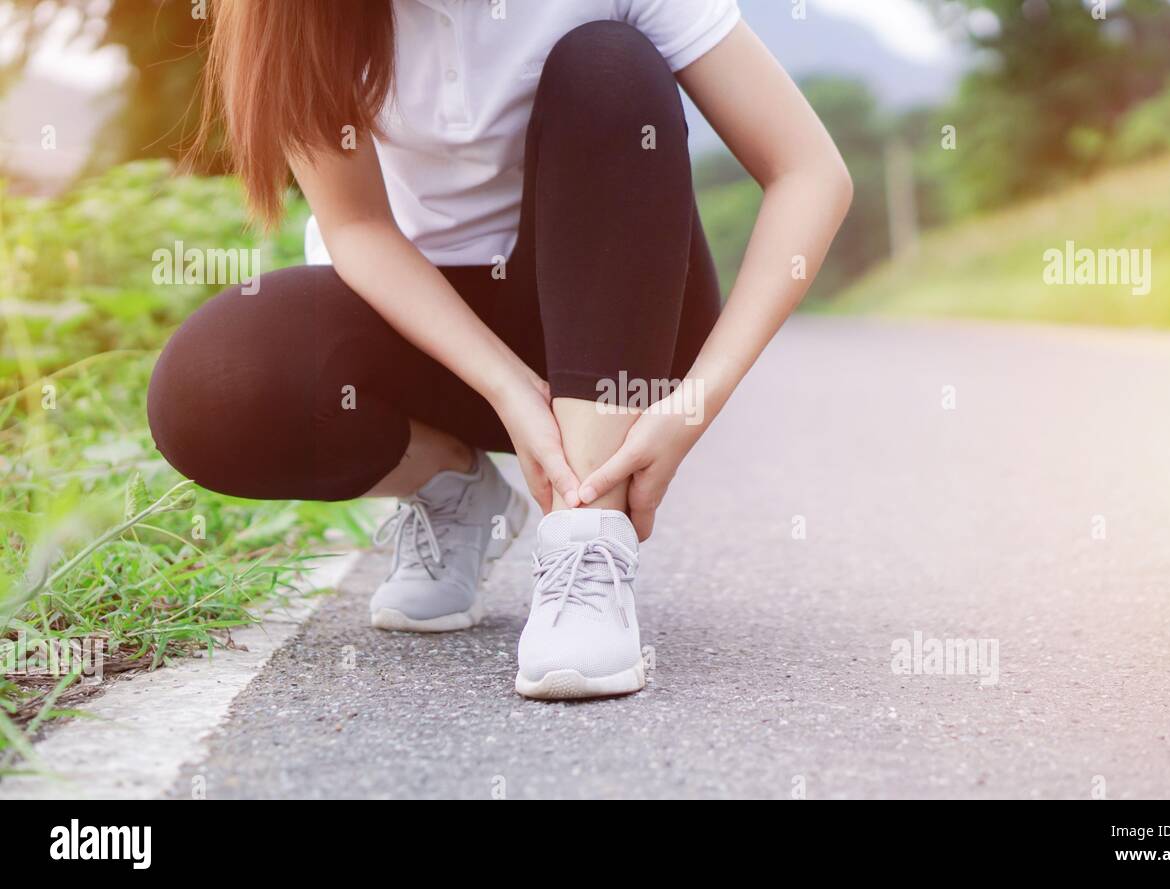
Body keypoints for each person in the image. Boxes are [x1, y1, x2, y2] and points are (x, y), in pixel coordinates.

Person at [148, 0, 852, 699]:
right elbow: (357, 227)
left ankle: (586, 538)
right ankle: (452, 488)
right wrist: (506, 385)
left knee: (608, 63)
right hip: (428, 328)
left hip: (623, 317)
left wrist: (700, 395)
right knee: (213, 388)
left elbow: (809, 172)